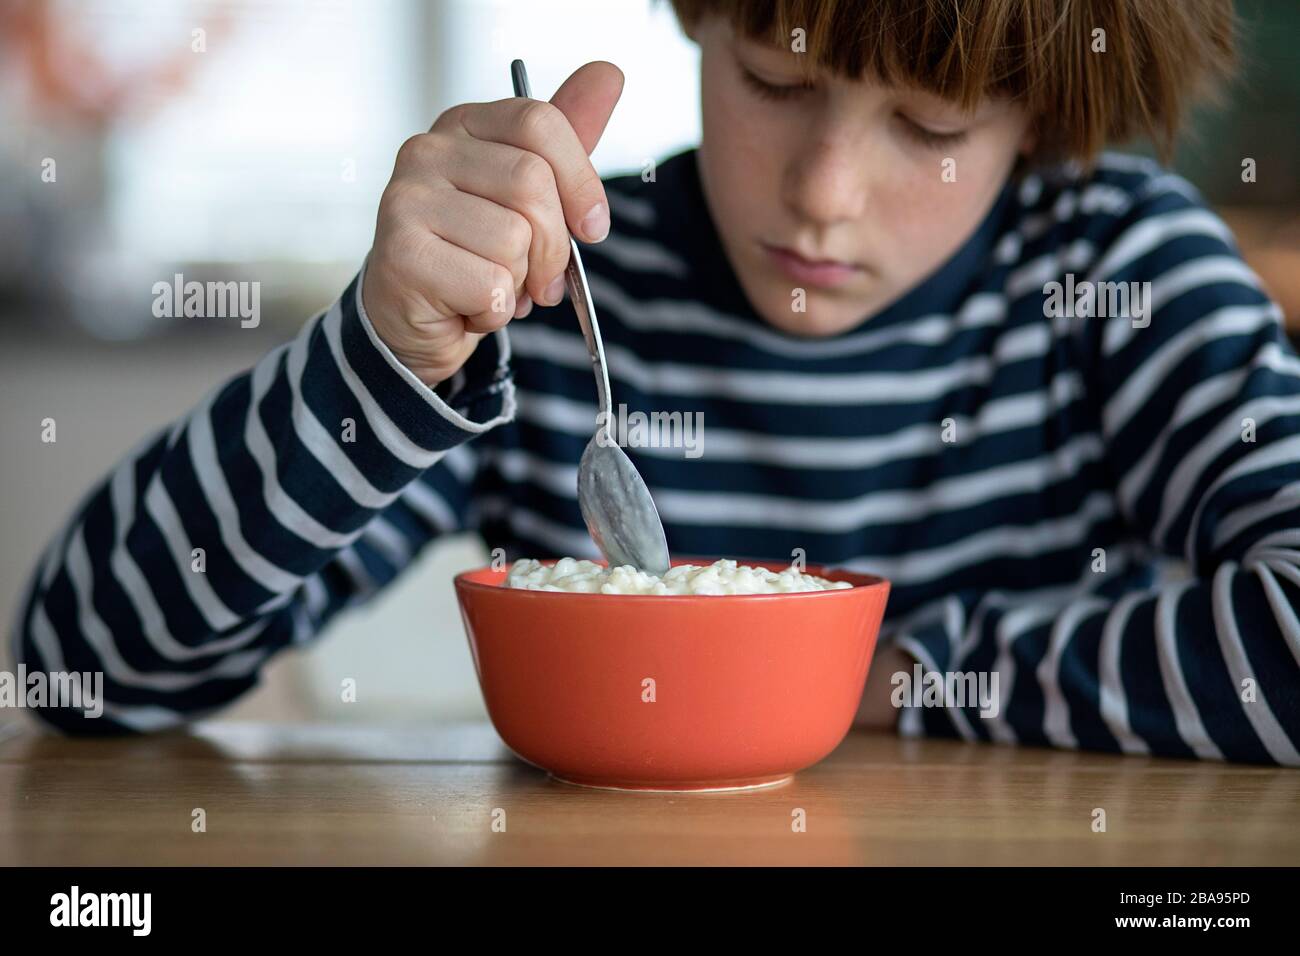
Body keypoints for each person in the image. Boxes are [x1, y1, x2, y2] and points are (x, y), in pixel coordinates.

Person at [14, 0, 1300, 765]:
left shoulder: (1119, 274)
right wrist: (385, 360)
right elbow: (83, 670)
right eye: (776, 82)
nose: (822, 194)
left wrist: (907, 677)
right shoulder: (553, 298)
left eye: (931, 127)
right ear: (697, 22)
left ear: (1046, 116)